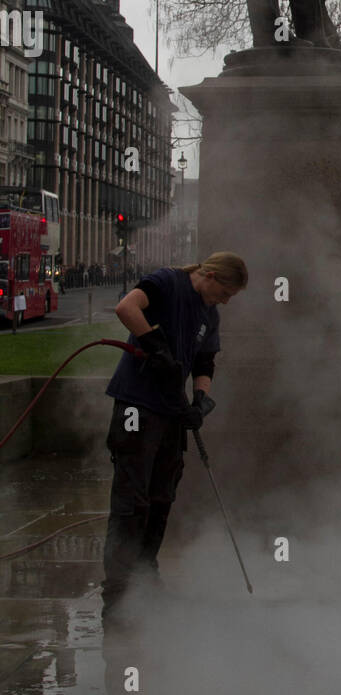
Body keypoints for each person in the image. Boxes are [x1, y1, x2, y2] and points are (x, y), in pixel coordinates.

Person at [100, 251, 248, 629]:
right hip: (136, 405)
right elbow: (126, 307)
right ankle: (118, 596)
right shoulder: (167, 282)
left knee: (161, 497)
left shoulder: (208, 314)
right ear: (210, 275)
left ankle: (145, 581)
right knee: (131, 502)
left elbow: (204, 362)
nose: (226, 301)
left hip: (170, 412)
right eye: (226, 292)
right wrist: (155, 346)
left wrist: (199, 399)